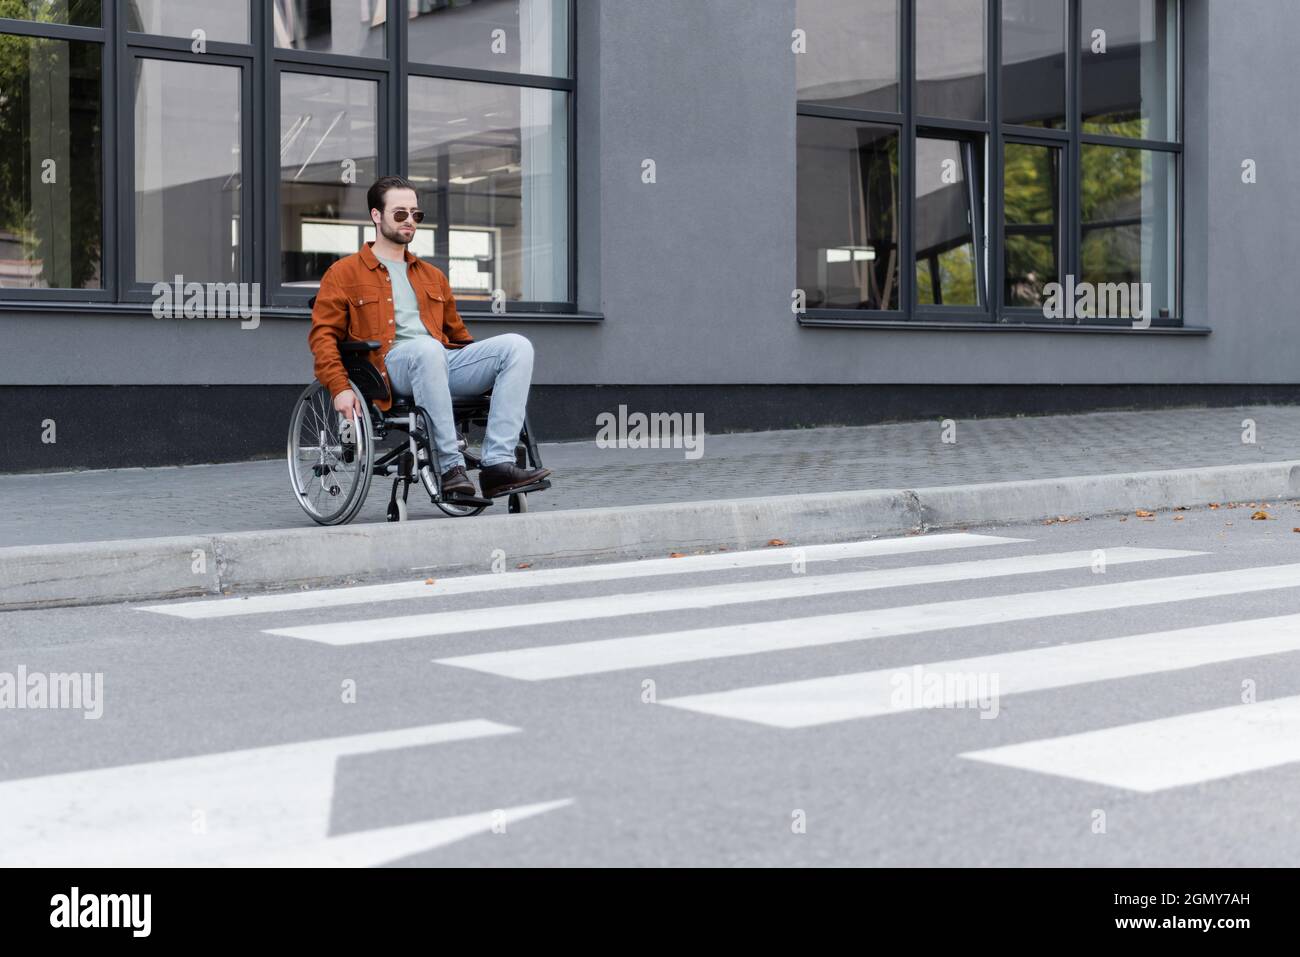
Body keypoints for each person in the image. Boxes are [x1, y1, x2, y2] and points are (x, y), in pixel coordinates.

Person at [308, 175, 551, 500]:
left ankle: (497, 466)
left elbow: (459, 337)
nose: (410, 221)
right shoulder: (344, 273)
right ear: (376, 216)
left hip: (439, 361)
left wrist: (489, 372)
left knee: (517, 346)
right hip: (389, 369)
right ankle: (451, 469)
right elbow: (323, 337)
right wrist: (339, 388)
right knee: (426, 349)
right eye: (400, 214)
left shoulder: (431, 276)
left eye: (415, 215)